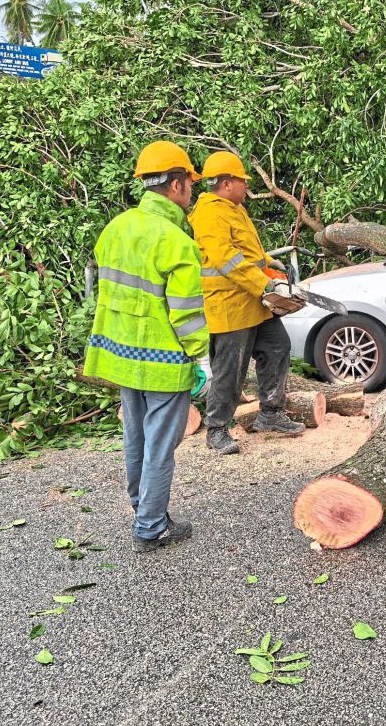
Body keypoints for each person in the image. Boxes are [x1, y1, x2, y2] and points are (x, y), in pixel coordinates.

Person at [83, 141, 211, 552]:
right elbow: (187, 314)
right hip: (163, 361)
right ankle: (151, 527)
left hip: (120, 357)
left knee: (135, 439)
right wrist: (200, 358)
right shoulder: (177, 242)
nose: (190, 192)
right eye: (189, 183)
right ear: (175, 185)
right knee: (160, 447)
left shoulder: (115, 228)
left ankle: (144, 509)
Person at [189, 151, 304, 454]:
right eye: (243, 182)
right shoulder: (209, 213)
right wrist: (264, 284)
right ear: (227, 183)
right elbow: (226, 259)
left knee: (278, 346)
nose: (247, 188)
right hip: (229, 305)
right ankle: (216, 429)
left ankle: (270, 414)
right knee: (230, 368)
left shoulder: (232, 208)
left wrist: (271, 264)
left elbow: (248, 252)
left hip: (254, 302)